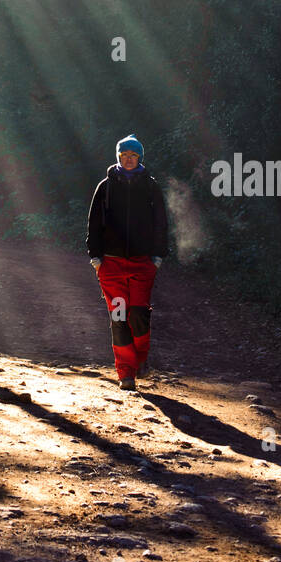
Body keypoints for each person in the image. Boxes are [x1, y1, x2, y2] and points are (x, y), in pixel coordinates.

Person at [86, 134, 169, 392]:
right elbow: (94, 222)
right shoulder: (106, 186)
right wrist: (95, 257)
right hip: (110, 264)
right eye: (125, 155)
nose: (129, 159)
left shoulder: (150, 186)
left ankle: (140, 360)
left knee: (139, 315)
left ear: (139, 158)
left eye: (134, 156)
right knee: (120, 316)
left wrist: (157, 256)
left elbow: (161, 222)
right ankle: (126, 374)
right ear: (119, 157)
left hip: (143, 262)